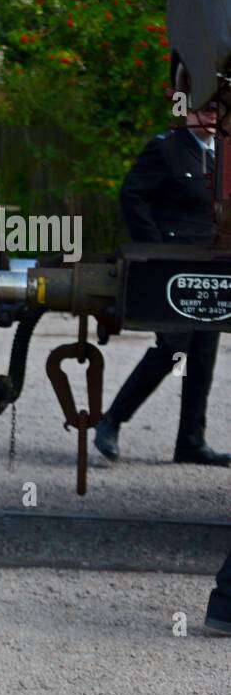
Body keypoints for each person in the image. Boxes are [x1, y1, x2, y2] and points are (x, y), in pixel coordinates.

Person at [94, 100, 228, 466]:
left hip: (213, 268)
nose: (213, 115)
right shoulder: (166, 148)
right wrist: (154, 249)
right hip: (174, 267)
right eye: (205, 108)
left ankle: (191, 442)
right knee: (173, 348)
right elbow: (132, 194)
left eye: (220, 108)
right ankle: (111, 421)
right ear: (187, 112)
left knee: (202, 355)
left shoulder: (224, 155)